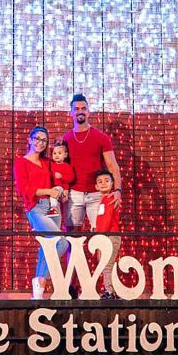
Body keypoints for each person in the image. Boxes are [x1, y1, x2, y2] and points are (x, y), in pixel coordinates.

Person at [12, 126, 68, 299]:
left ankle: (37, 294)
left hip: (53, 207)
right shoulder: (21, 162)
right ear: (29, 139)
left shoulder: (47, 162)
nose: (40, 143)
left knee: (47, 246)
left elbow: (59, 178)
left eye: (44, 140)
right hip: (36, 208)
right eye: (37, 138)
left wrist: (61, 190)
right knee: (61, 242)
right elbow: (24, 190)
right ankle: (41, 279)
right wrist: (48, 191)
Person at [62, 93, 122, 230]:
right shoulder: (66, 139)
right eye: (76, 109)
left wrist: (118, 190)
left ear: (88, 112)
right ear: (71, 113)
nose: (80, 111)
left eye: (83, 108)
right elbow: (59, 168)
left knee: (101, 233)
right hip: (73, 194)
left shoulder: (101, 137)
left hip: (97, 193)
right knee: (72, 234)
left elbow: (113, 166)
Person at [93, 169, 122, 299]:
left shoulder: (111, 199)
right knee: (104, 264)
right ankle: (110, 290)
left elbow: (107, 220)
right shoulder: (102, 201)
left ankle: (110, 291)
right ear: (96, 186)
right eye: (100, 182)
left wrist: (99, 236)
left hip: (109, 236)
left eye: (106, 181)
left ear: (112, 183)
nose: (103, 183)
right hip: (103, 236)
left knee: (107, 264)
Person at [48, 141, 74, 217]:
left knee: (54, 192)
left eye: (59, 153)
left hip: (61, 188)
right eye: (54, 153)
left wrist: (62, 177)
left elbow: (71, 178)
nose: (57, 155)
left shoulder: (67, 166)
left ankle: (53, 209)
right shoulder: (51, 165)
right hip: (51, 187)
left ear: (65, 155)